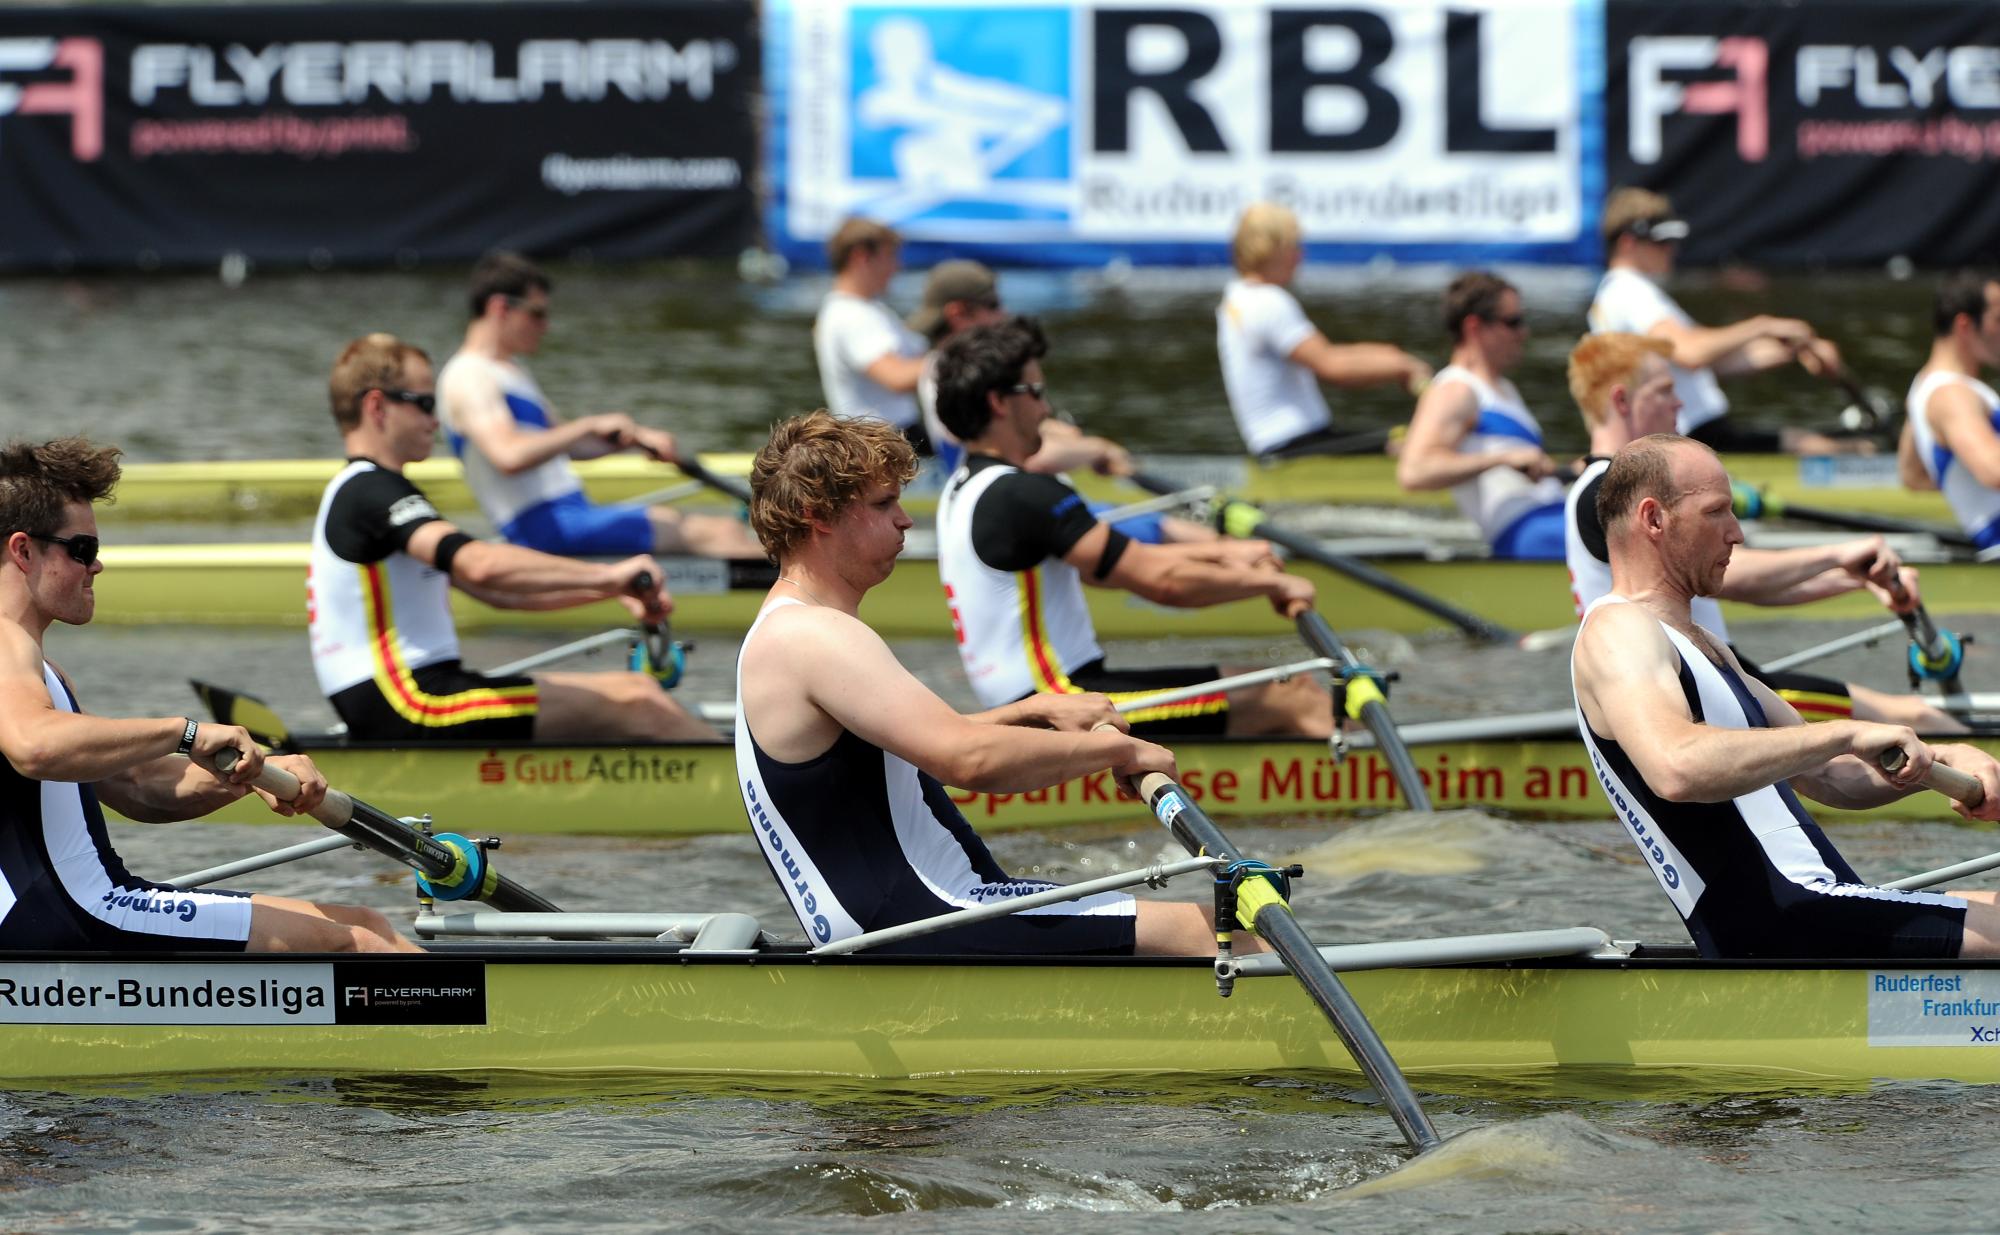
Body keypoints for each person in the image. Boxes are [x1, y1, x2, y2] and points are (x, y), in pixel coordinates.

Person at [735, 409, 1264, 956]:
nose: (905, 521)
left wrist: (1029, 712)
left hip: (912, 917)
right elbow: (968, 761)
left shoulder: (788, 627)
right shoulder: (816, 637)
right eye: (882, 504)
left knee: (1205, 931)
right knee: (1228, 938)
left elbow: (899, 751)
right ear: (817, 515)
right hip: (928, 920)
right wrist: (1118, 750)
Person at [1570, 433, 2000, 959]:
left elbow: (1833, 776)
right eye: (1717, 512)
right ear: (1654, 519)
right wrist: (1845, 731)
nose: (1737, 533)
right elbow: (1675, 767)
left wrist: (1945, 757)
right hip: (1785, 928)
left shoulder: (1703, 647)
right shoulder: (1617, 629)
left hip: (1824, 910)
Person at [0, 437, 420, 953]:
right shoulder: (3, 644)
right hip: (75, 915)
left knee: (368, 922)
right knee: (356, 942)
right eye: (82, 549)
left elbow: (134, 785)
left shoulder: (37, 669)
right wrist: (185, 732)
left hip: (65, 911)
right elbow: (34, 746)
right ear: (23, 550)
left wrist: (252, 773)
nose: (97, 566)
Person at [934, 318, 1332, 737]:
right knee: (1292, 692)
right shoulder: (1023, 494)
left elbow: (1108, 565)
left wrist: (1223, 553)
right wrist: (1273, 586)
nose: (1045, 409)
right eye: (1036, 393)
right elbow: (1163, 584)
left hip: (1032, 703)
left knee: (1268, 683)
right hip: (1061, 702)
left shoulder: (964, 488)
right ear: (999, 402)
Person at [312, 333, 715, 744]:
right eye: (425, 403)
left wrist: (609, 591)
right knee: (640, 703)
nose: (436, 422)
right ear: (378, 406)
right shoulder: (370, 491)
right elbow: (481, 566)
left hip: (411, 694)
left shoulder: (373, 490)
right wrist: (607, 575)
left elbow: (498, 594)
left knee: (639, 692)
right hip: (407, 701)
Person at [1565, 333, 1966, 734]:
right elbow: (1740, 576)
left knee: (1910, 717)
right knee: (1917, 717)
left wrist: (1857, 578)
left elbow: (1747, 585)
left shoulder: (1604, 486)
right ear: (1622, 401)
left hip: (1715, 672)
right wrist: (1837, 554)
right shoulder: (1607, 494)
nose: (1680, 402)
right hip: (1690, 689)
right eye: (1666, 389)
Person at [436, 251, 759, 559]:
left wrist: (636, 440)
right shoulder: (468, 375)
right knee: (719, 532)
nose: (545, 326)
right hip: (542, 528)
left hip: (569, 515)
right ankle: (795, 600)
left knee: (713, 528)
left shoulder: (509, 371)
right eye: (537, 313)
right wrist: (588, 424)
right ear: (500, 307)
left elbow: (566, 444)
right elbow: (509, 455)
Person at [910, 259, 1210, 545]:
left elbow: (1025, 434)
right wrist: (1096, 451)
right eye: (994, 305)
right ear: (959, 314)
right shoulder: (945, 372)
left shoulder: (949, 369)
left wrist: (1069, 438)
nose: (1004, 314)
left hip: (1033, 501)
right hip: (1017, 511)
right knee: (1196, 538)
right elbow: (1026, 457)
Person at [1586, 187, 1855, 456]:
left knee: (1810, 440)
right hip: (1686, 441)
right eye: (1661, 242)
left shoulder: (1625, 294)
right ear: (1627, 243)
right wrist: (1763, 325)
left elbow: (1716, 361)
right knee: (1830, 448)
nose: (1672, 250)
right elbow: (1692, 352)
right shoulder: (1629, 292)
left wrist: (1797, 350)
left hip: (1698, 434)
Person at [1217, 202, 1431, 458]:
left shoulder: (1236, 297)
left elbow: (1329, 353)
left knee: (1397, 437)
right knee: (1413, 445)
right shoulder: (1269, 301)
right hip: (1296, 448)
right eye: (1293, 246)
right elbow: (1333, 366)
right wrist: (1403, 366)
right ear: (1271, 249)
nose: (1299, 256)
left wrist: (1392, 354)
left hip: (1280, 445)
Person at [1394, 272, 1566, 560]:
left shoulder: (1505, 388)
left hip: (1552, 518)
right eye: (1513, 322)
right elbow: (1413, 471)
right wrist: (1501, 459)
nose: (1523, 333)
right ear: (1474, 327)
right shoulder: (1456, 390)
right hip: (1524, 533)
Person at [1899, 270, 2000, 552]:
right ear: (1965, 325)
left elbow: (1914, 476)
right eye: (1998, 320)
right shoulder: (1952, 396)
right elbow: (1993, 470)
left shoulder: (1921, 387)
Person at [812, 217, 931, 453]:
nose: (897, 267)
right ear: (861, 256)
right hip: (880, 445)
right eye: (889, 257)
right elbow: (896, 377)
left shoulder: (871, 309)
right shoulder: (851, 315)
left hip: (893, 437)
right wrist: (956, 360)